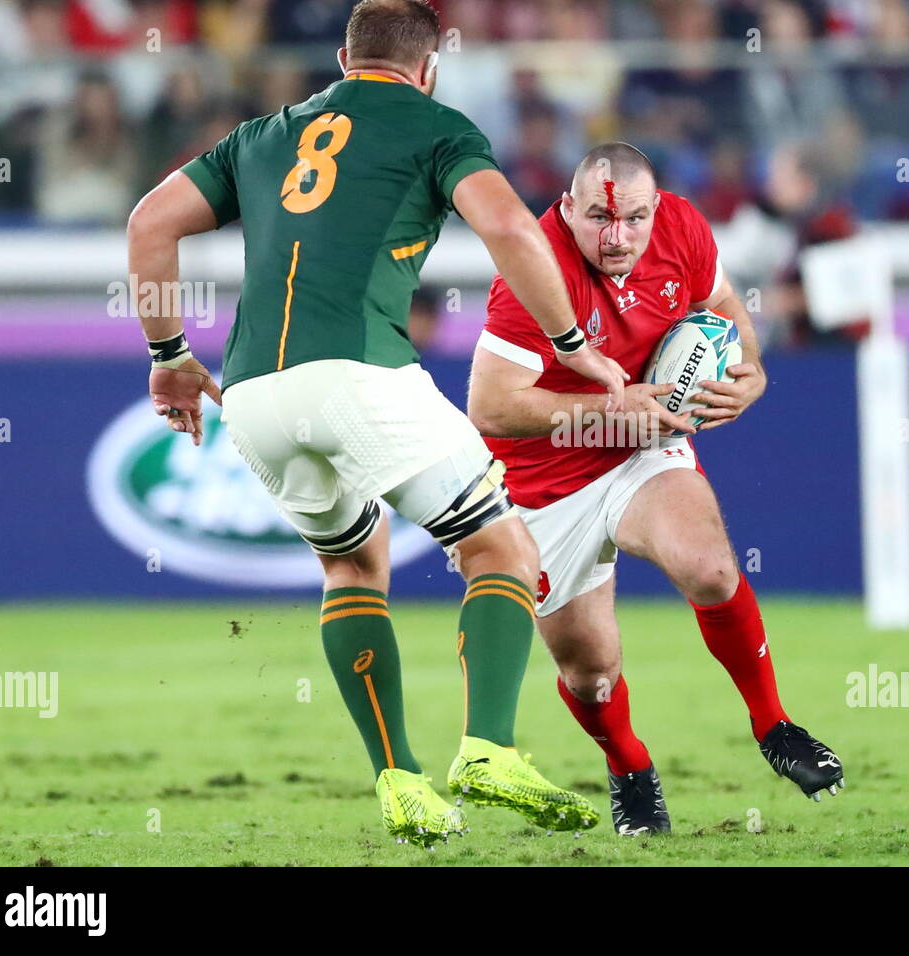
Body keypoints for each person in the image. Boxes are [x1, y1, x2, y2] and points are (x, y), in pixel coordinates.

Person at [125, 0, 626, 847]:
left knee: (353, 563)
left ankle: (399, 780)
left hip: (250, 396)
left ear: (341, 57)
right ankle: (489, 751)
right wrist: (572, 342)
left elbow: (149, 223)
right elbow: (507, 223)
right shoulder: (437, 126)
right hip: (358, 373)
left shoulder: (263, 134)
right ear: (429, 68)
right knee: (499, 547)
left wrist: (169, 352)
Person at [468, 142, 844, 835]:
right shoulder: (532, 266)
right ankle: (629, 767)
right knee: (591, 675)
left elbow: (723, 302)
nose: (620, 238)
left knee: (709, 566)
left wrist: (753, 370)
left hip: (646, 446)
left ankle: (774, 725)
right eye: (601, 221)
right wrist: (609, 409)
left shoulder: (682, 226)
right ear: (568, 209)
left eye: (635, 219)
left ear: (655, 207)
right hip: (545, 482)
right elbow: (489, 406)